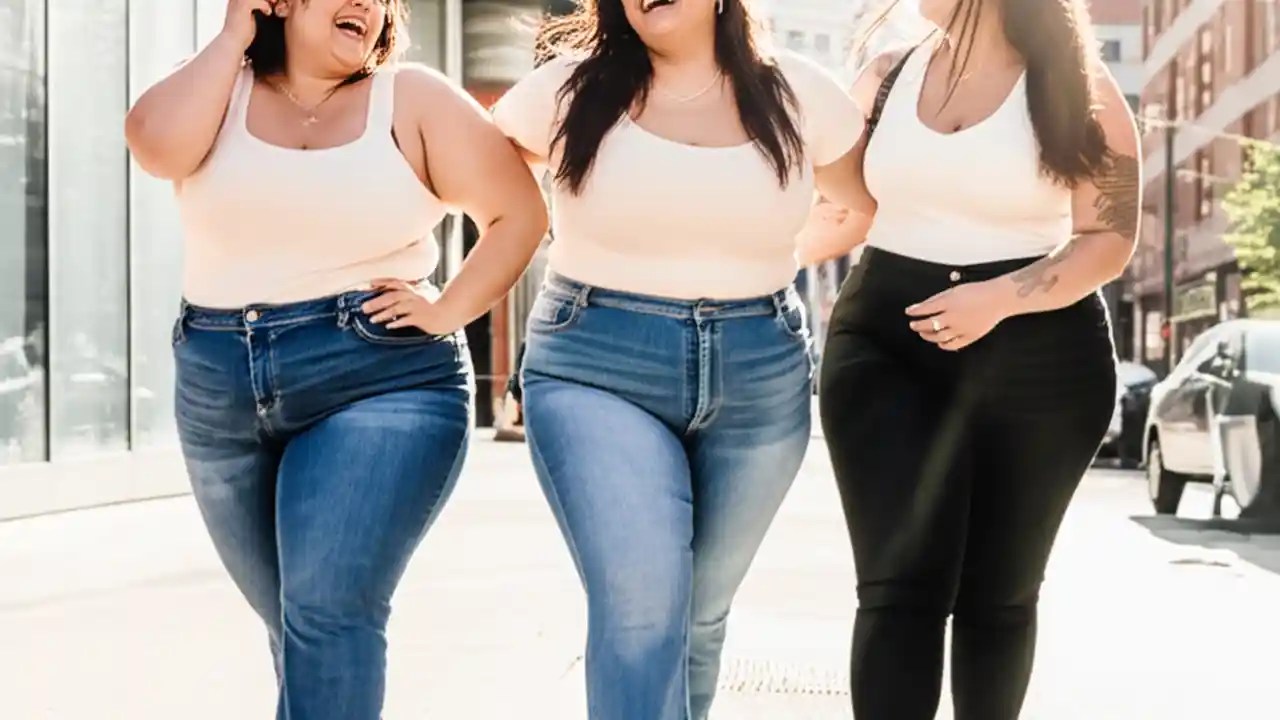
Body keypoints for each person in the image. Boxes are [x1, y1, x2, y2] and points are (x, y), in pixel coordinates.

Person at [124, 1, 547, 717]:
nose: (366, 4)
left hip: (380, 381)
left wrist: (447, 310)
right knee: (298, 627)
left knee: (327, 615)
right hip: (220, 390)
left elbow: (519, 213)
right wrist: (233, 34)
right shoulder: (218, 88)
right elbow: (154, 146)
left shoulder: (411, 99)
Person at [491, 1, 866, 717]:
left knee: (698, 616)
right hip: (595, 364)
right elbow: (471, 174)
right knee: (641, 607)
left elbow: (863, 204)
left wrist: (762, 258)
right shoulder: (565, 90)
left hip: (760, 376)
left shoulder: (800, 94)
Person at [812, 0, 1140, 717]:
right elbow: (843, 210)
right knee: (898, 586)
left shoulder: (1080, 87)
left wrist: (1002, 298)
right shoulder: (884, 77)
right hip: (883, 348)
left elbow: (1109, 237)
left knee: (1000, 592)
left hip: (1042, 363)